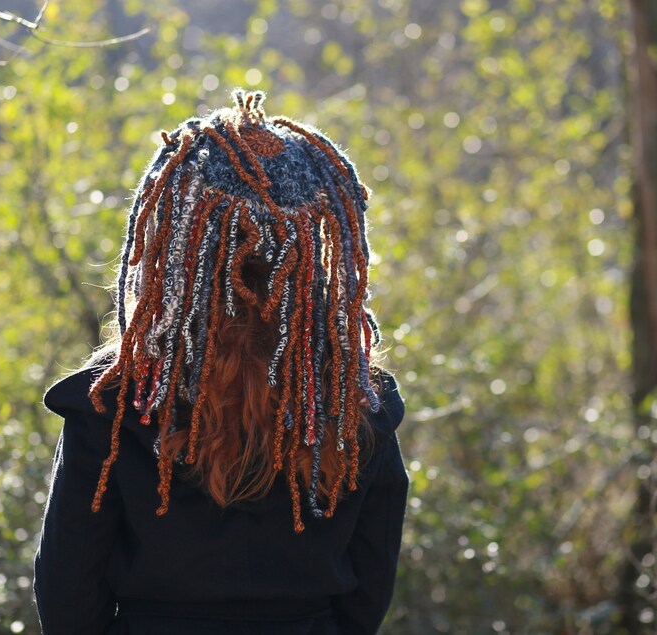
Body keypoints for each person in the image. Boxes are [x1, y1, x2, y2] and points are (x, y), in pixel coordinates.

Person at [33, 89, 409, 635]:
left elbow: (67, 594)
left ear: (174, 240)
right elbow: (370, 585)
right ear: (318, 241)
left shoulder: (117, 401)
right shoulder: (353, 401)